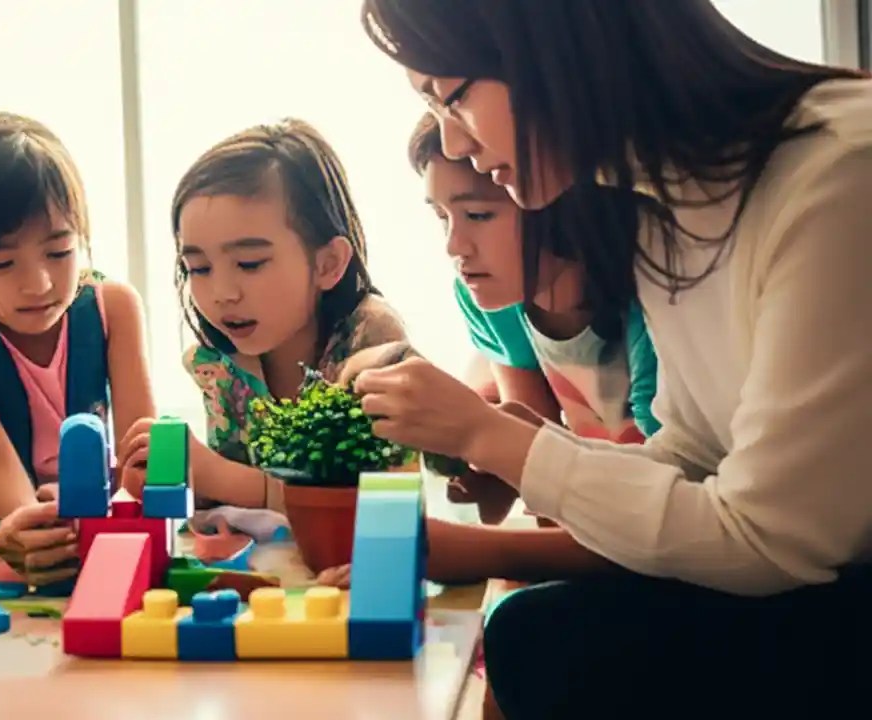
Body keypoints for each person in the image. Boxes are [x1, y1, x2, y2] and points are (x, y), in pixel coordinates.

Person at [355, 0, 872, 716]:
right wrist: (529, 445)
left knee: (544, 643)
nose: (455, 140)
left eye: (452, 96)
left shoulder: (838, 171)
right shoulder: (667, 207)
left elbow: (771, 539)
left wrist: (491, 436)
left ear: (548, 42)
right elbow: (693, 454)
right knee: (536, 636)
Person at [118, 118, 409, 510]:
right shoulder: (220, 367)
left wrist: (216, 475)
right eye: (198, 268)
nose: (222, 294)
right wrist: (172, 476)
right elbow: (236, 504)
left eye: (249, 263)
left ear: (328, 264)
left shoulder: (373, 347)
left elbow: (381, 509)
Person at [0, 113, 155, 574]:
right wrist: (33, 524)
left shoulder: (114, 306)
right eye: (1, 263)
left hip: (89, 508)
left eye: (59, 252)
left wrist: (125, 507)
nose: (39, 284)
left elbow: (140, 448)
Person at [407, 111, 660, 524]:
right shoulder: (493, 300)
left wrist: (462, 546)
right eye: (441, 216)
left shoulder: (651, 303)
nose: (454, 246)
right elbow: (541, 480)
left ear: (554, 201)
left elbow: (665, 496)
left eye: (478, 215)